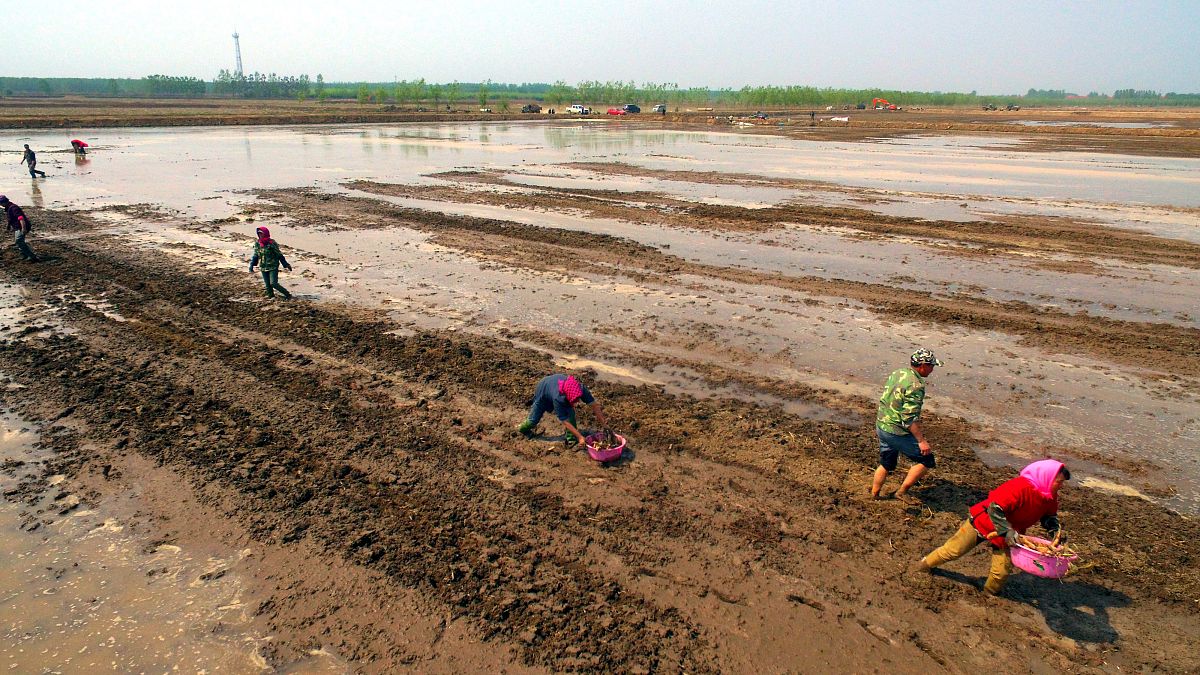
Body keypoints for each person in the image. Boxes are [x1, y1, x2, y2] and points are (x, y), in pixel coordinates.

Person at [918, 459, 1069, 595]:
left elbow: (1048, 516)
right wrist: (1006, 531)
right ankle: (923, 566)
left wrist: (1054, 529)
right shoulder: (1020, 486)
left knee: (1001, 572)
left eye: (1062, 483)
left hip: (1009, 535)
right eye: (1059, 481)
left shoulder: (1049, 495)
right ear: (1046, 477)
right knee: (952, 551)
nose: (1061, 486)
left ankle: (988, 595)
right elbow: (994, 507)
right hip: (984, 522)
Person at [870, 348, 942, 502]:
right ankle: (901, 492)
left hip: (882, 425)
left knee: (887, 463)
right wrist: (921, 441)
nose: (932, 370)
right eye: (931, 366)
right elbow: (909, 418)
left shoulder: (898, 373)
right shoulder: (916, 385)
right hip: (895, 431)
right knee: (927, 460)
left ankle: (875, 494)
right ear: (922, 365)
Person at [517, 374, 608, 448]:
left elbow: (595, 405)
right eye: (574, 401)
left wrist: (605, 425)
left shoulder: (580, 389)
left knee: (570, 413)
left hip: (556, 386)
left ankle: (571, 439)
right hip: (543, 390)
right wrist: (580, 437)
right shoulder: (559, 398)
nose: (577, 403)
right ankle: (522, 429)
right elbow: (564, 421)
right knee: (533, 420)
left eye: (577, 400)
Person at [248, 226, 293, 300]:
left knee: (273, 283)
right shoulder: (258, 243)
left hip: (273, 266)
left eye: (261, 234)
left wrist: (285, 264)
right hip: (263, 266)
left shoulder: (271, 243)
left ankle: (287, 294)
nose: (260, 236)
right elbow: (256, 255)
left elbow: (279, 254)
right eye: (259, 234)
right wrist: (251, 265)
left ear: (265, 234)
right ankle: (271, 297)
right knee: (268, 285)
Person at [0, 195, 40, 262]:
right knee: (18, 241)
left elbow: (21, 218)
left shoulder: (13, 208)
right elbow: (11, 218)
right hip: (17, 227)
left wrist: (23, 228)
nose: (1, 205)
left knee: (19, 241)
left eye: (1, 203)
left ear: (4, 202)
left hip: (22, 226)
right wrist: (8, 226)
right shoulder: (9, 207)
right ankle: (25, 255)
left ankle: (32, 256)